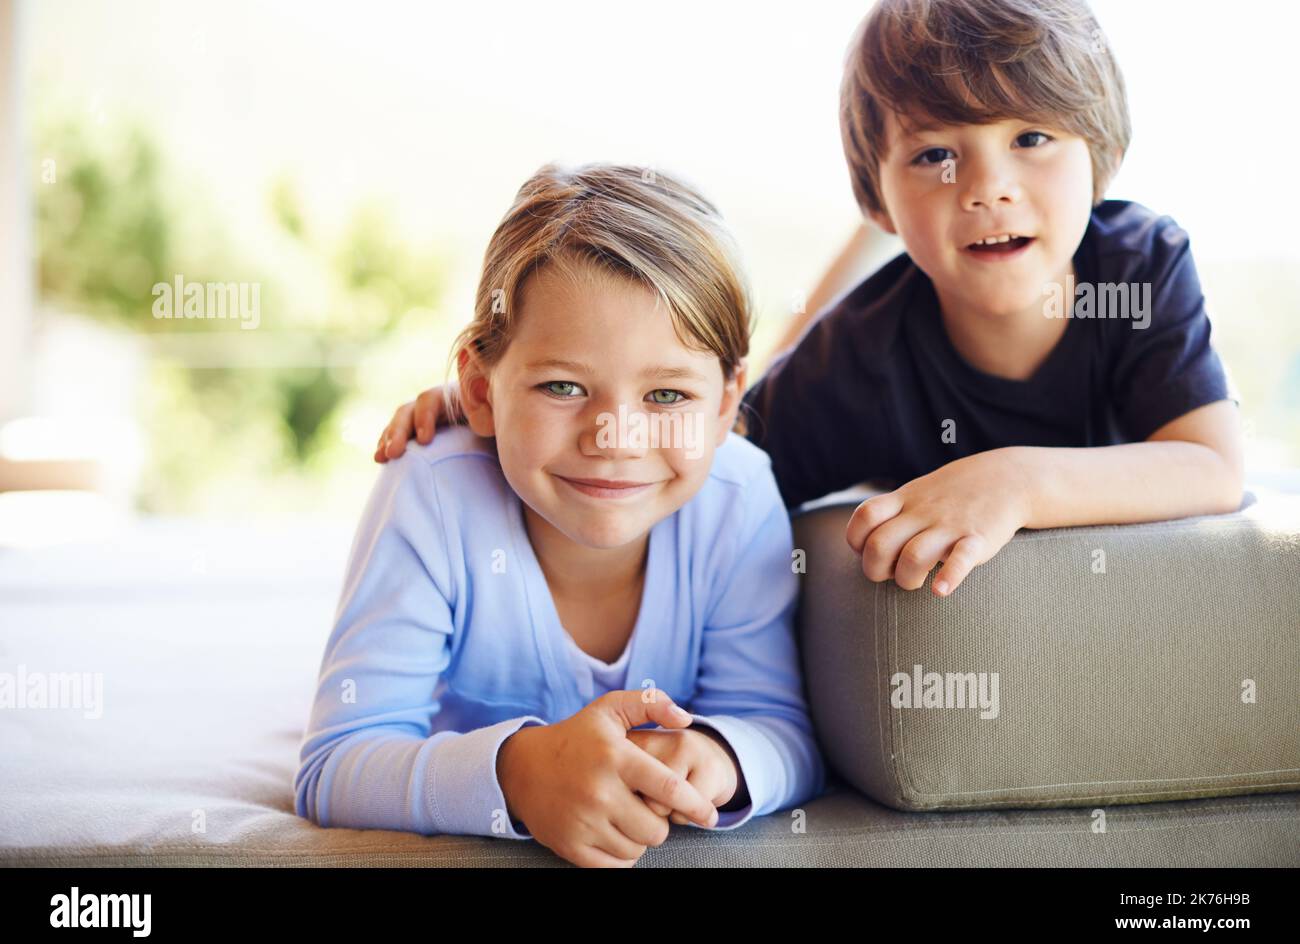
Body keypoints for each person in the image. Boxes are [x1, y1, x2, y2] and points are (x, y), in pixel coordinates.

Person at [376, 0, 1244, 600]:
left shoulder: (1140, 265)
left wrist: (1013, 480)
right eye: (934, 154)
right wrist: (504, 393)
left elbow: (1212, 467)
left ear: (1100, 151)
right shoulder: (858, 356)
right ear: (877, 200)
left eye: (1031, 138)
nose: (987, 187)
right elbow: (707, 437)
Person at [294, 163, 825, 868]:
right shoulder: (431, 491)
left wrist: (719, 755)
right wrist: (518, 773)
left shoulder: (738, 497)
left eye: (667, 396)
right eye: (563, 385)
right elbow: (336, 761)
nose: (614, 437)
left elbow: (779, 728)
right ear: (480, 390)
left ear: (727, 403)